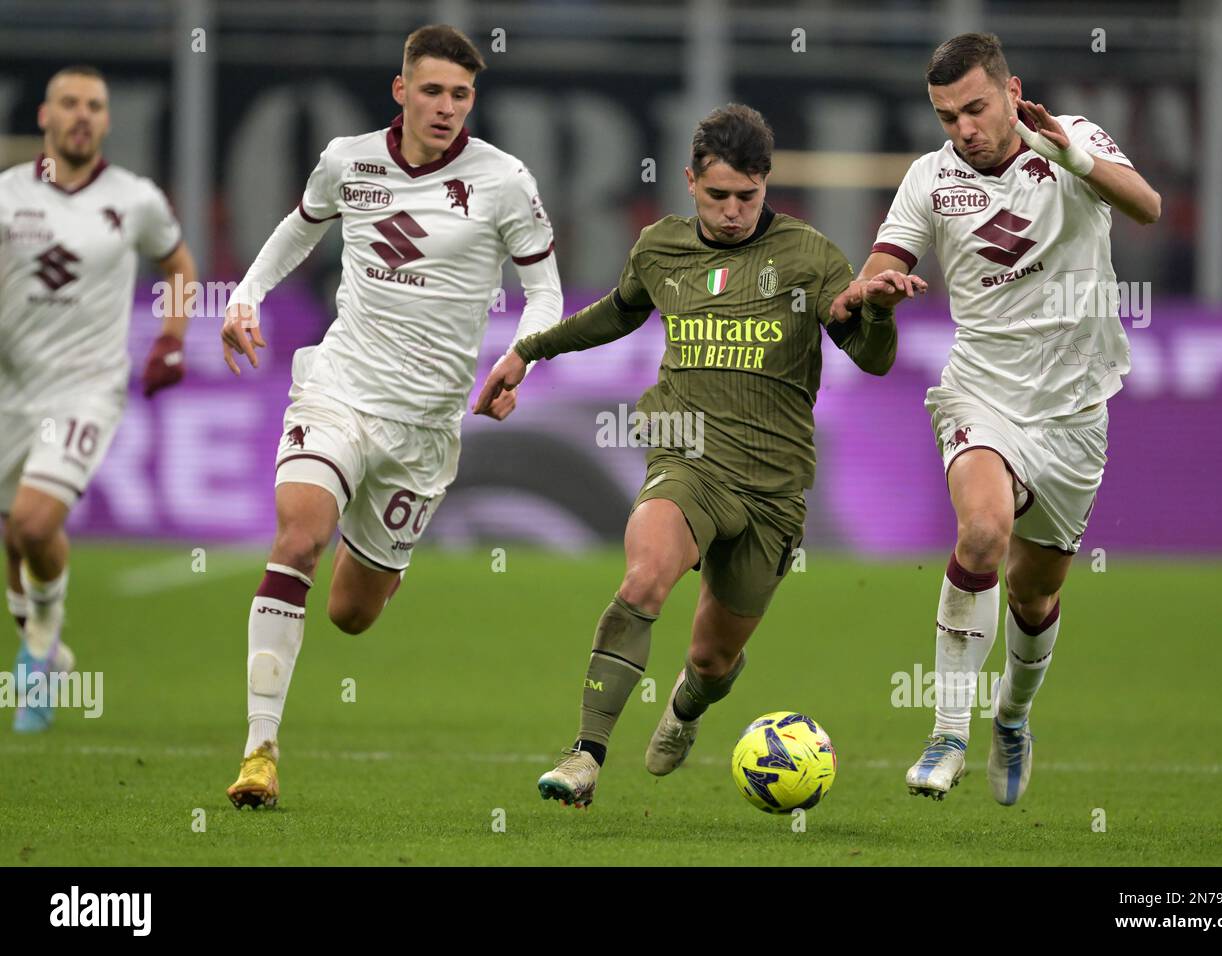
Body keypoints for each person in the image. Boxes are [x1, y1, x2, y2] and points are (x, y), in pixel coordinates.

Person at [475, 103, 926, 808]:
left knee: (713, 659)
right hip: (686, 459)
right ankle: (585, 756)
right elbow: (617, 312)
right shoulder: (661, 248)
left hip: (773, 489)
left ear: (766, 185)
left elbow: (871, 359)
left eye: (748, 196)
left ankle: (689, 704)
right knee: (645, 578)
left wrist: (873, 312)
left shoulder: (810, 257)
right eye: (718, 195)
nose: (734, 211)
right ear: (689, 182)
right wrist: (526, 352)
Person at [221, 24, 562, 808]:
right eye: (433, 90)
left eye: (462, 94)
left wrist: (522, 356)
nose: (446, 107)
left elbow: (544, 290)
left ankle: (376, 556)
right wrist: (245, 295)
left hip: (425, 428)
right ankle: (259, 751)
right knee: (299, 534)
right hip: (340, 387)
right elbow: (301, 226)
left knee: (351, 615)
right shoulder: (349, 159)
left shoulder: (504, 180)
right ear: (401, 90)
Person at [833, 32, 1161, 805]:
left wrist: (1075, 160)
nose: (963, 129)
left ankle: (1011, 717)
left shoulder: (1072, 140)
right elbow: (879, 268)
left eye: (975, 108)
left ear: (1012, 94)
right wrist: (877, 291)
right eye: (947, 116)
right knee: (982, 531)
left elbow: (1146, 206)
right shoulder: (930, 178)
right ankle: (948, 733)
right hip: (981, 393)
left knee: (1035, 596)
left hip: (1075, 413)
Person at [0, 65, 195, 733]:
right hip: (10, 388)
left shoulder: (134, 199)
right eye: (69, 104)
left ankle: (41, 644)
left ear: (107, 121)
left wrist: (171, 337)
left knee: (31, 523)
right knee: (14, 537)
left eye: (95, 106)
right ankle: (45, 646)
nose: (83, 115)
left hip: (85, 387)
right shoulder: (6, 198)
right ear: (46, 118)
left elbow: (178, 263)